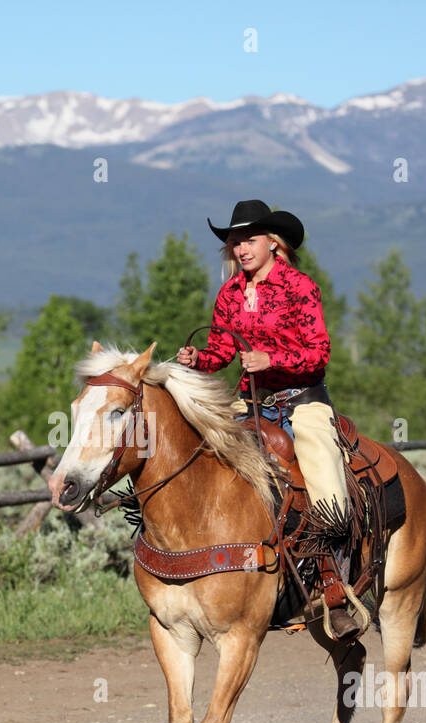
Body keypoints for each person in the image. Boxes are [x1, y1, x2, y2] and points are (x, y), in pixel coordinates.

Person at [176, 199, 360, 639]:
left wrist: (270, 358)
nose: (240, 248)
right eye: (235, 242)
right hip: (250, 406)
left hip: (302, 402)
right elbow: (222, 351)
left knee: (321, 472)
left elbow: (319, 353)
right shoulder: (230, 294)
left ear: (273, 244)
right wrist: (198, 359)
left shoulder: (300, 287)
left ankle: (334, 590)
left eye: (249, 240)